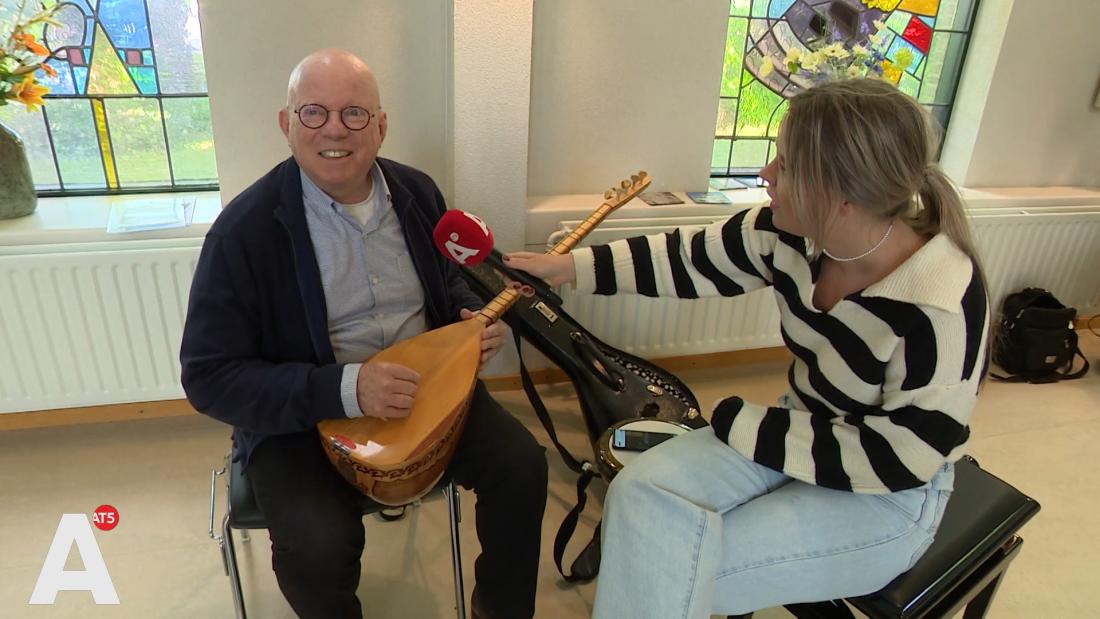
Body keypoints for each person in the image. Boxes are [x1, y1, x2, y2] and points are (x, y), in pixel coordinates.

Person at [505, 78, 989, 618]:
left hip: (888, 495)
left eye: (785, 164)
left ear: (842, 196)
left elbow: (903, 457)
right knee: (635, 495)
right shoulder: (793, 236)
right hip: (800, 431)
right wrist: (567, 268)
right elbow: (688, 259)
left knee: (671, 566)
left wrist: (743, 426)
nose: (767, 174)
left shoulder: (939, 301)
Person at [180, 49, 547, 619]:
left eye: (354, 114)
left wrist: (466, 317)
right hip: (301, 420)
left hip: (429, 394)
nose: (334, 129)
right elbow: (208, 377)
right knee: (317, 543)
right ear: (286, 124)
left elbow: (450, 277)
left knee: (522, 467)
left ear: (380, 126)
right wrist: (348, 389)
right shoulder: (243, 232)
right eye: (313, 113)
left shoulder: (419, 194)